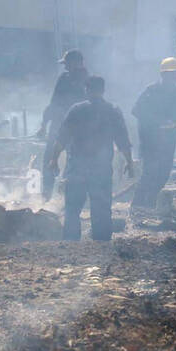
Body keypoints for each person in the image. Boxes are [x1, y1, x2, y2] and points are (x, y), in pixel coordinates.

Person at [47, 76, 134, 241]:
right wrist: (129, 162)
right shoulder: (112, 110)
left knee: (72, 208)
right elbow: (123, 140)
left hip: (77, 168)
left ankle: (71, 243)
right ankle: (102, 244)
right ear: (103, 90)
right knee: (101, 207)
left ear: (86, 90)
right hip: (100, 169)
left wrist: (53, 159)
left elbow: (62, 138)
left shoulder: (76, 110)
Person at [131, 57, 176, 211]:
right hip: (150, 140)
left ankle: (149, 204)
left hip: (168, 142)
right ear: (163, 75)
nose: (175, 77)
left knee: (163, 174)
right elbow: (136, 110)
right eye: (172, 74)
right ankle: (137, 205)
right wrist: (159, 122)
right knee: (149, 173)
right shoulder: (151, 91)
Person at [37, 48, 89, 200]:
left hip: (76, 131)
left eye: (67, 63)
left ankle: (65, 198)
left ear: (77, 63)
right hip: (58, 127)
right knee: (49, 160)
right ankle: (46, 196)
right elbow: (53, 103)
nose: (65, 66)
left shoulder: (88, 81)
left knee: (73, 163)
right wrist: (43, 124)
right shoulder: (63, 78)